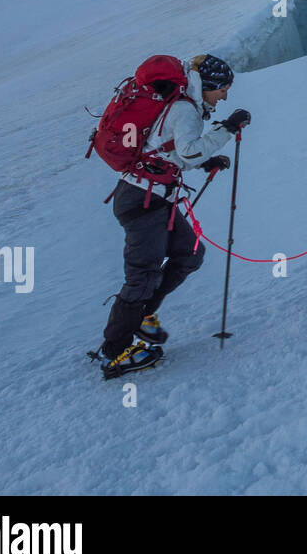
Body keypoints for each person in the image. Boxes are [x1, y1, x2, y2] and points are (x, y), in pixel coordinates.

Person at [95, 54, 250, 379]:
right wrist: (228, 128)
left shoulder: (183, 106)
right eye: (222, 89)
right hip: (143, 201)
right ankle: (115, 351)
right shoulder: (185, 109)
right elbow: (191, 150)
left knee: (190, 253)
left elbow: (172, 152)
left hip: (150, 197)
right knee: (142, 277)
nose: (224, 96)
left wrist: (204, 162)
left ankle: (140, 317)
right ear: (207, 86)